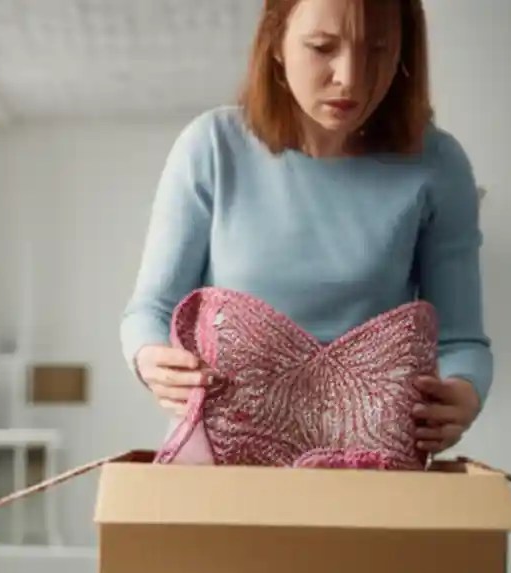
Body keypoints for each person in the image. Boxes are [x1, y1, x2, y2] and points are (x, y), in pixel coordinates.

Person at [119, 0, 490, 455]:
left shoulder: (437, 164)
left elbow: (462, 339)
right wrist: (149, 358)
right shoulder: (212, 146)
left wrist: (463, 390)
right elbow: (151, 311)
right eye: (322, 47)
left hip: (371, 466)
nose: (350, 77)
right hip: (220, 466)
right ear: (275, 42)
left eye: (378, 50)